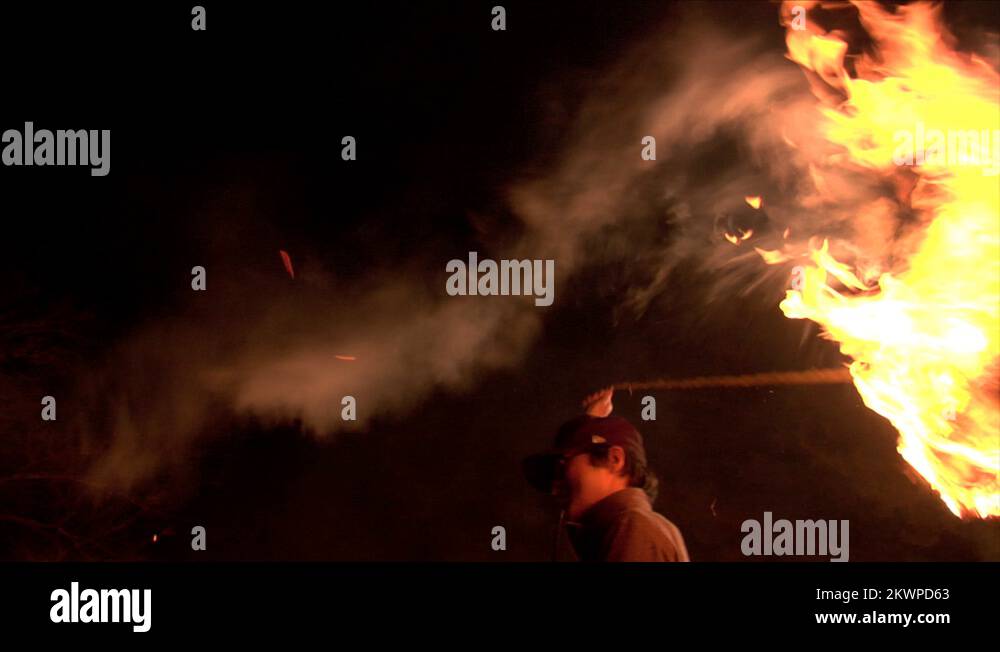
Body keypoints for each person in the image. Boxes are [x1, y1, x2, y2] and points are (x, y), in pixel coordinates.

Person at [523, 387, 689, 561]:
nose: (555, 488)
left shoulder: (633, 528)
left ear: (615, 459)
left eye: (563, 465)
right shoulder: (628, 528)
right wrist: (590, 425)